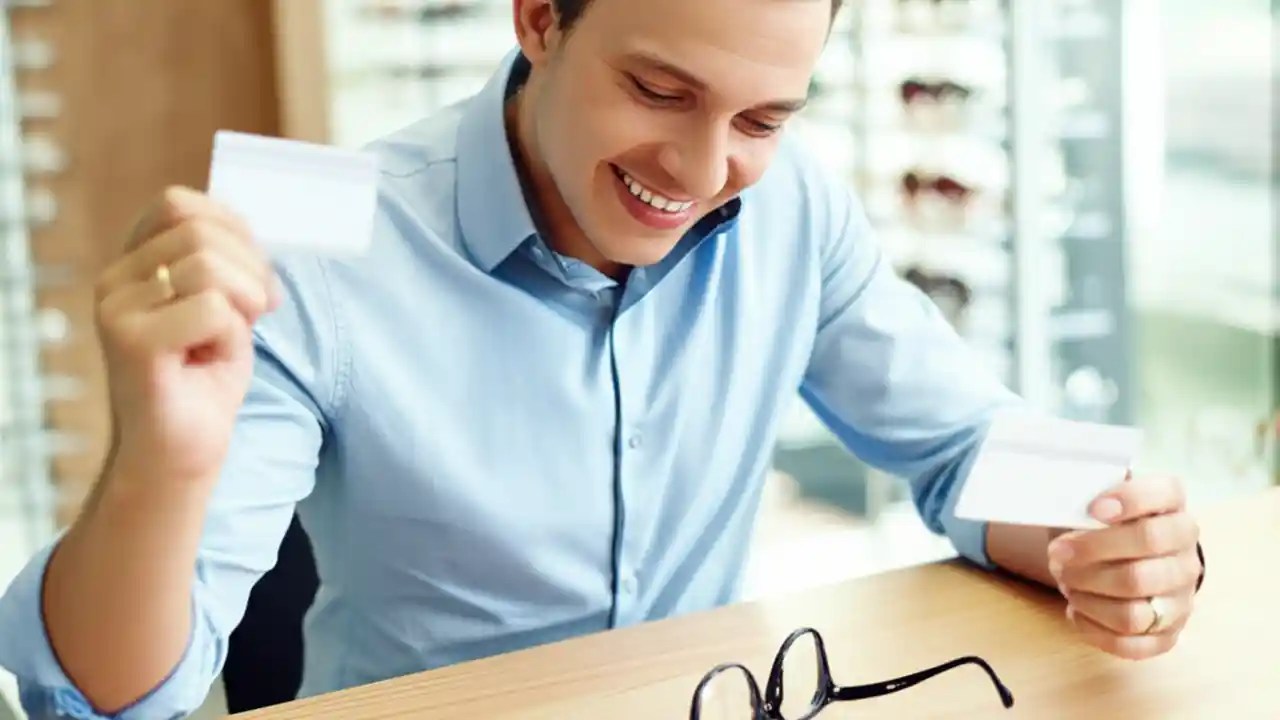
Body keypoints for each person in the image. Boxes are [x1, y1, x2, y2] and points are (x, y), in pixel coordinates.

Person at [0, 0, 1205, 717]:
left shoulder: (796, 213)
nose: (696, 171)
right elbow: (108, 698)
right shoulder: (320, 241)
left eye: (759, 121)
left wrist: (1107, 526)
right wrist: (159, 463)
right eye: (656, 89)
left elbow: (965, 440)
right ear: (537, 16)